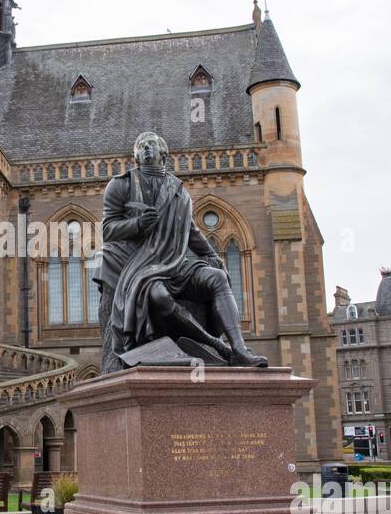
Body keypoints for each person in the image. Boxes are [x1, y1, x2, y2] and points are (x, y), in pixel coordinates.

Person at [95, 131, 269, 371]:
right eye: (142, 145)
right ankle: (217, 346)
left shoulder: (178, 192)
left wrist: (210, 255)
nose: (146, 148)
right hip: (138, 268)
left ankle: (239, 349)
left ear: (164, 154)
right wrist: (137, 225)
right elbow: (107, 230)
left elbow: (191, 231)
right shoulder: (120, 185)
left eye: (152, 144)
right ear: (135, 155)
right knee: (158, 296)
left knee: (217, 278)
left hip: (173, 264)